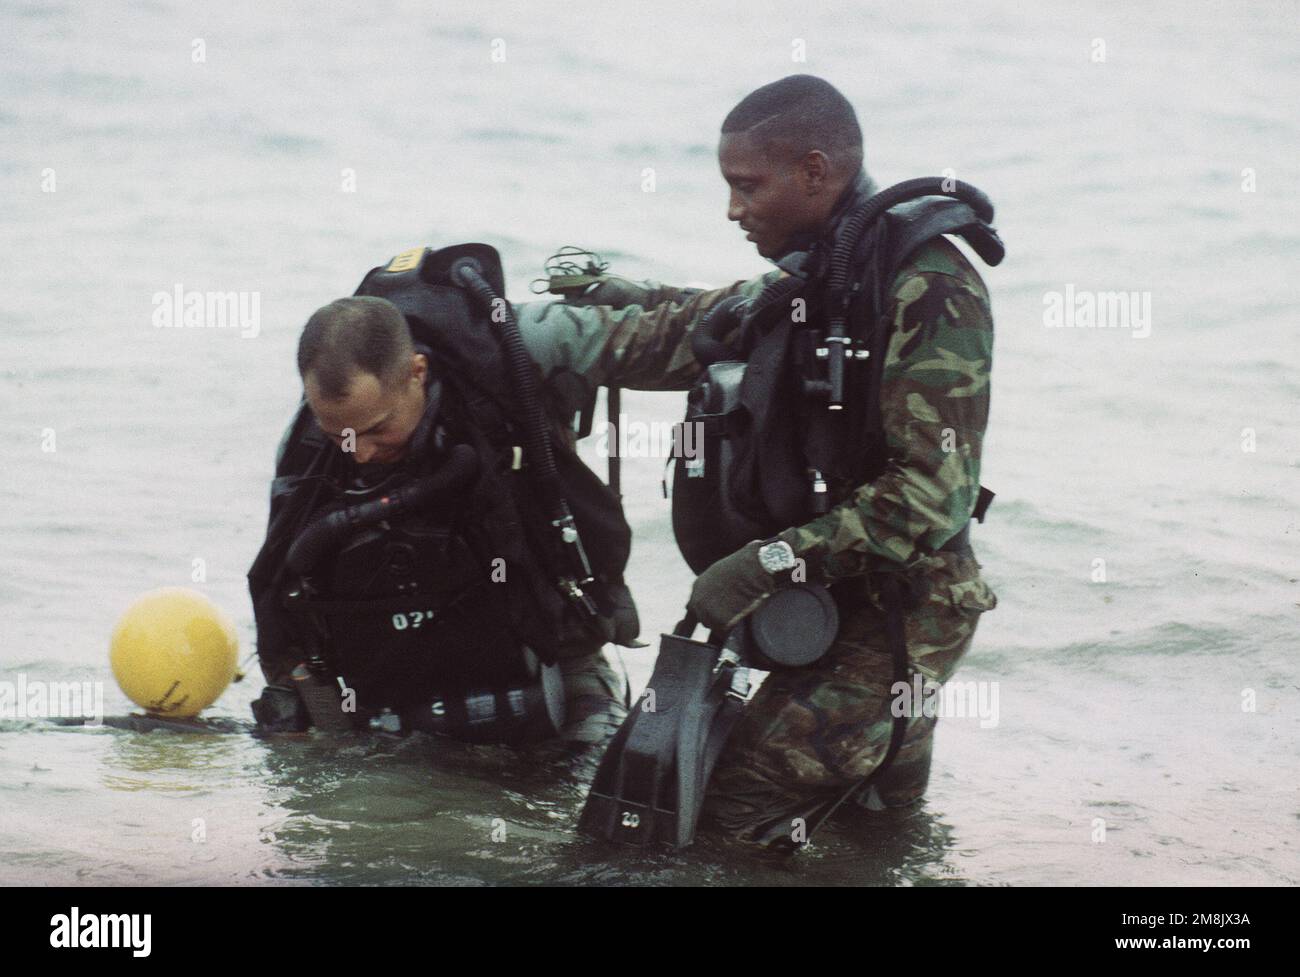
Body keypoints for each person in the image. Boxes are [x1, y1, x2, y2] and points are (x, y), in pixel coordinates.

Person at [520, 74, 1002, 848]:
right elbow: (698, 327)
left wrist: (764, 564)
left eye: (747, 187)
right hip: (842, 601)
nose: (733, 209)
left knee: (729, 820)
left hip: (901, 617)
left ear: (815, 171)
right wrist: (550, 328)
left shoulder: (930, 289)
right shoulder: (825, 272)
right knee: (878, 833)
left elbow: (929, 496)